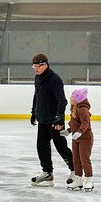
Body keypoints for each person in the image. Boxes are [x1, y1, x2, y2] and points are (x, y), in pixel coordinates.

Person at [29, 53, 74, 186]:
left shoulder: (54, 79)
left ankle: (75, 170)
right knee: (41, 147)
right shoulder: (37, 78)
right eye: (34, 66)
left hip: (54, 121)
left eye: (38, 66)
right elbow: (36, 96)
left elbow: (62, 100)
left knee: (61, 147)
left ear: (45, 65)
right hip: (43, 120)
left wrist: (59, 118)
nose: (36, 69)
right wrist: (33, 113)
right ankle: (48, 173)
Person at [66, 87, 94, 191]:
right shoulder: (74, 108)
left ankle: (88, 180)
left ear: (78, 99)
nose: (70, 98)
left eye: (73, 96)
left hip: (85, 138)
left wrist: (80, 132)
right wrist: (69, 131)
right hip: (76, 137)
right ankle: (78, 180)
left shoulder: (83, 109)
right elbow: (75, 124)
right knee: (76, 160)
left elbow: (85, 123)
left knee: (84, 159)